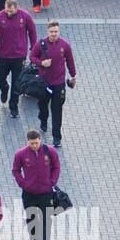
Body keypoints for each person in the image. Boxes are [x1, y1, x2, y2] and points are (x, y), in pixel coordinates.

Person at [12, 128, 60, 240]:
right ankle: (33, 238)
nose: (34, 145)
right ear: (28, 142)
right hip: (29, 193)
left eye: (36, 142)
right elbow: (15, 170)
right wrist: (23, 183)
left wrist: (52, 181)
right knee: (31, 219)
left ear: (40, 140)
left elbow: (56, 166)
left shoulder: (50, 152)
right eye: (31, 143)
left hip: (46, 193)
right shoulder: (21, 154)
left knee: (46, 222)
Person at [0, 0, 36, 115]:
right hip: (3, 55)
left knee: (17, 83)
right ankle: (4, 88)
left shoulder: (25, 17)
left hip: (19, 56)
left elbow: (32, 32)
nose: (9, 13)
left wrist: (33, 49)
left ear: (16, 8)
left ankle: (14, 107)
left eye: (11, 10)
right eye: (7, 10)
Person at [31, 19, 77, 148]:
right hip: (44, 82)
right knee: (43, 105)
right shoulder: (40, 44)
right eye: (51, 31)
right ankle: (43, 119)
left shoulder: (65, 45)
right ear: (48, 31)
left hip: (58, 83)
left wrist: (73, 76)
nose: (53, 34)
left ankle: (57, 137)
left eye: (56, 31)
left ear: (59, 31)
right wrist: (41, 63)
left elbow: (70, 61)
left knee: (57, 110)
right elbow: (32, 57)